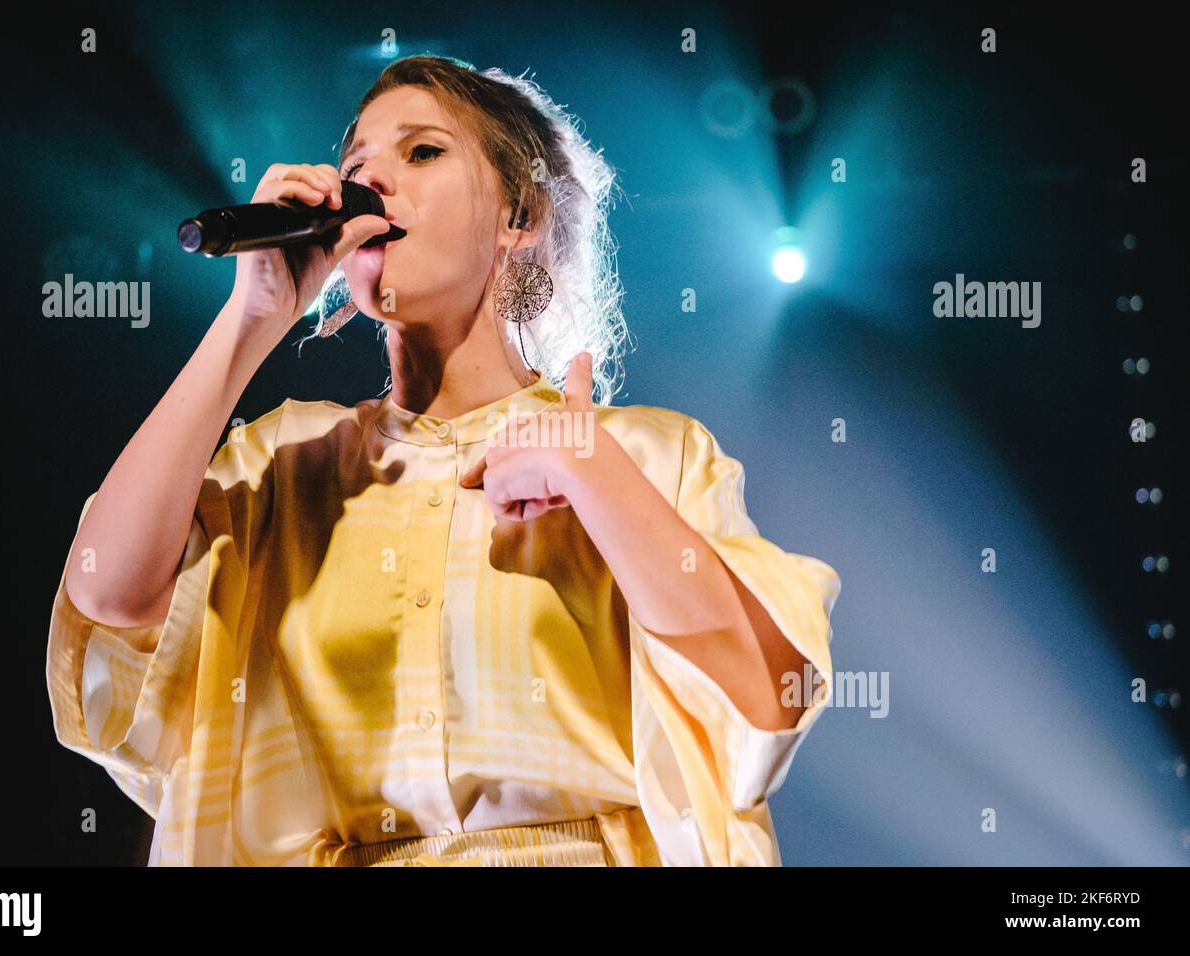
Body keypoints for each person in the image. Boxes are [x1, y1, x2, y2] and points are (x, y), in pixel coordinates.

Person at [45, 54, 841, 866]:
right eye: (355, 165)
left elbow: (764, 695)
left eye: (422, 153)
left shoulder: (648, 453)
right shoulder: (288, 466)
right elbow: (108, 594)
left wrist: (593, 473)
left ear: (519, 214)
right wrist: (253, 316)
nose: (371, 180)